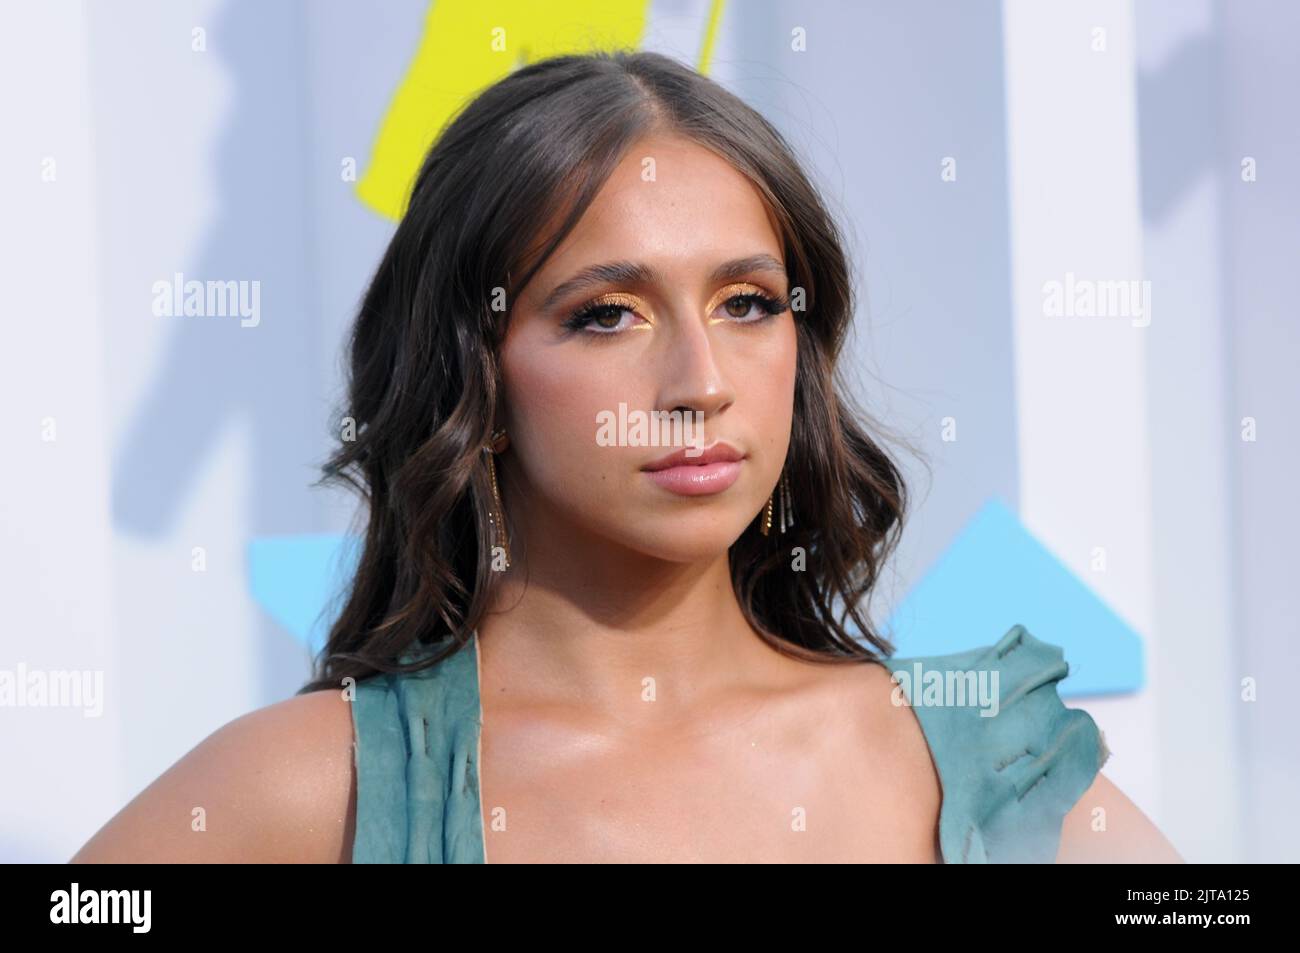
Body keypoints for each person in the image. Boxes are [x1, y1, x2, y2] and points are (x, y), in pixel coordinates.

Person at [71, 49, 1181, 864]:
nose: (700, 379)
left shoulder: (984, 759)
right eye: (607, 314)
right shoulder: (317, 785)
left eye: (747, 302)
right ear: (475, 373)